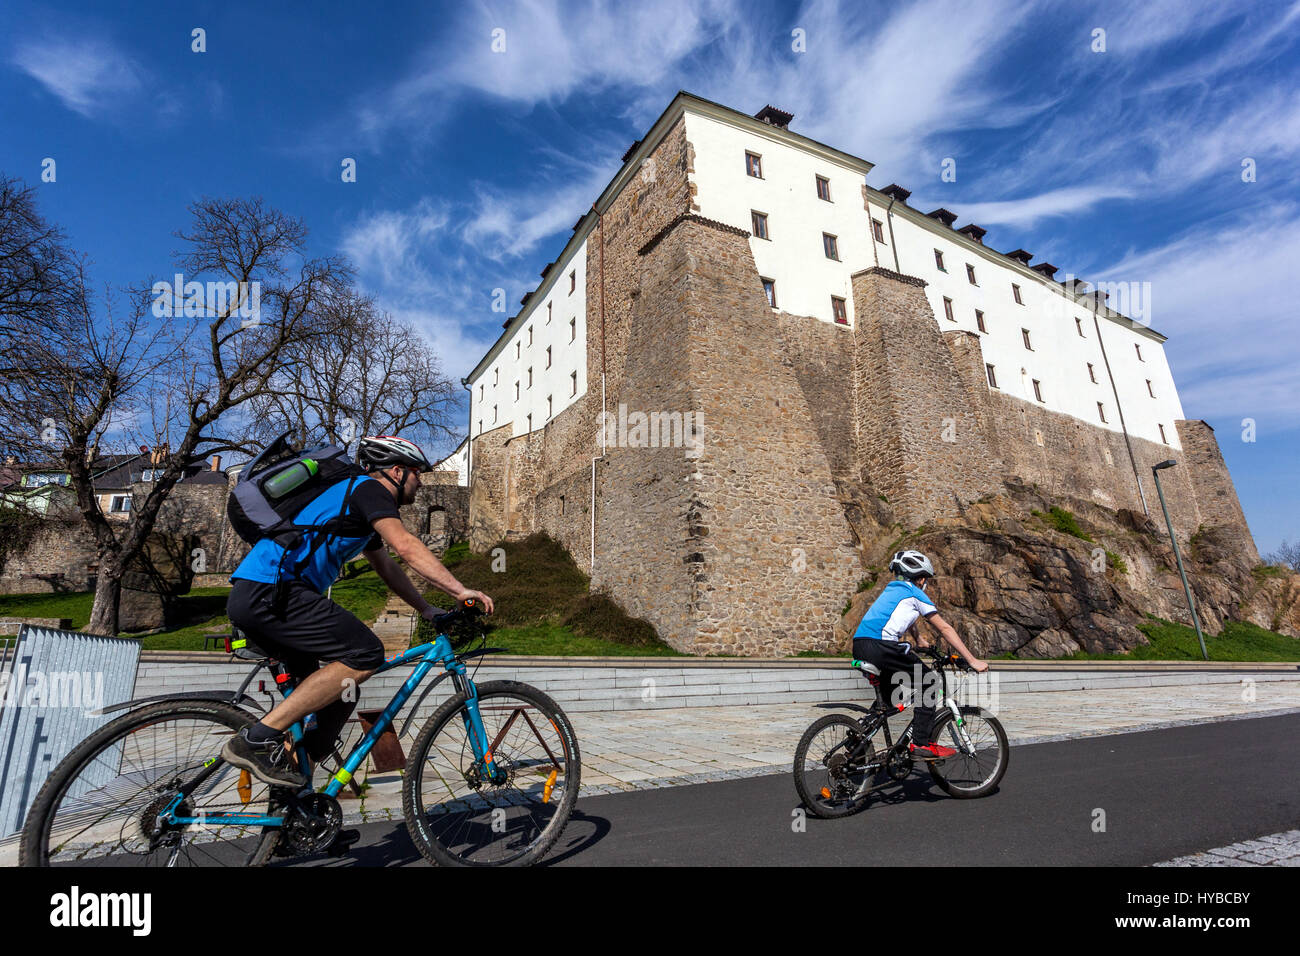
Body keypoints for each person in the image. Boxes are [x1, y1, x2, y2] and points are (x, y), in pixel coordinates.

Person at [221, 434, 493, 788]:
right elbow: (407, 547)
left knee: (339, 696)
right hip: (272, 592)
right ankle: (255, 739)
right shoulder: (369, 490)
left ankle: (295, 808)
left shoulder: (357, 504)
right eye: (416, 472)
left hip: (266, 595)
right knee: (365, 653)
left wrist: (426, 609)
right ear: (396, 471)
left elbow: (388, 567)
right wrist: (461, 590)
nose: (421, 481)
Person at [852, 549, 988, 758]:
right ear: (921, 578)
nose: (926, 584)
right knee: (930, 684)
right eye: (926, 580)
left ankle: (860, 738)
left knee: (888, 697)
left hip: (861, 645)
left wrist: (918, 640)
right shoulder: (916, 593)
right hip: (881, 646)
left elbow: (906, 616)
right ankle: (921, 743)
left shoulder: (891, 590)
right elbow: (944, 628)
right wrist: (972, 660)